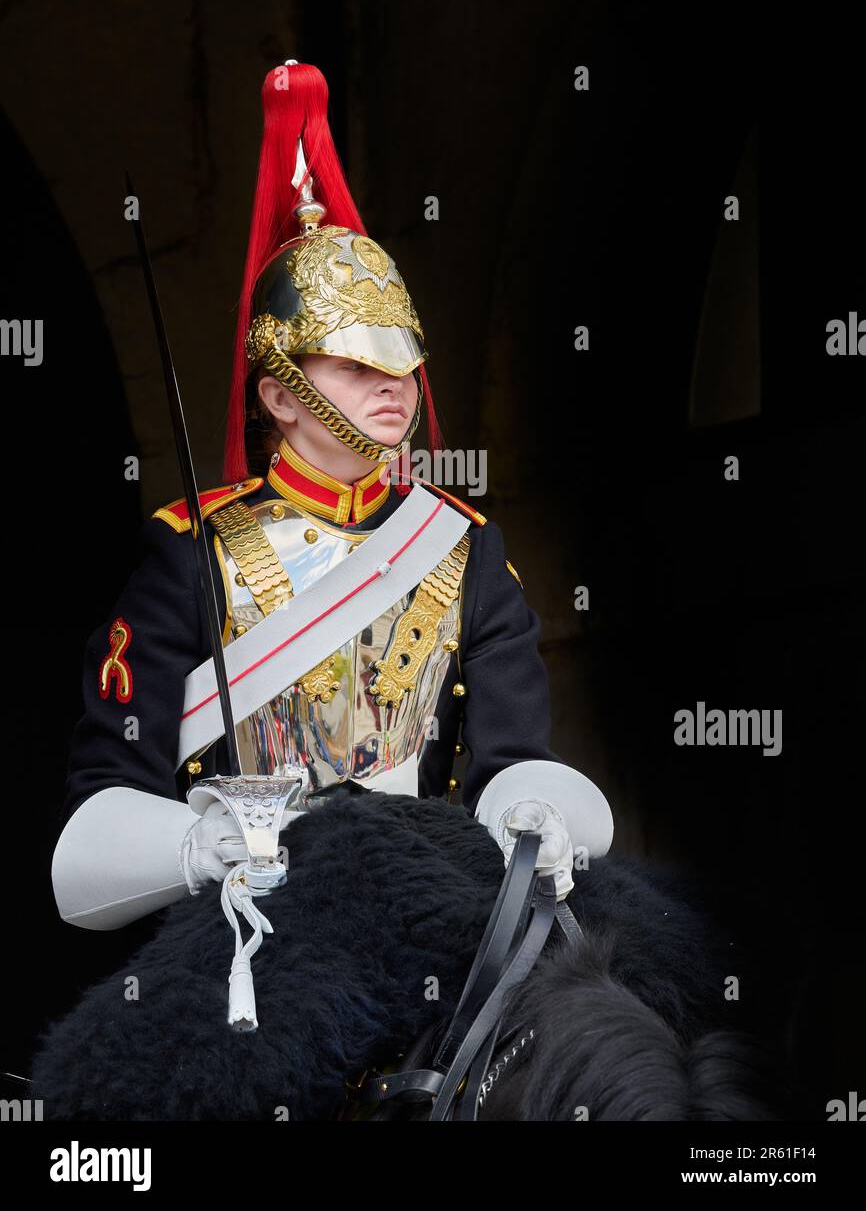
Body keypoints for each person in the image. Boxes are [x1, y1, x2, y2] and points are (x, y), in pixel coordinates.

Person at [51, 61, 613, 941]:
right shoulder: (190, 551)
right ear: (279, 396)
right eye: (355, 367)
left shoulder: (463, 548)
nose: (393, 388)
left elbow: (510, 757)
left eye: (398, 363)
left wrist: (533, 810)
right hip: (250, 933)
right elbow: (101, 812)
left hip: (434, 919)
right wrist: (200, 846)